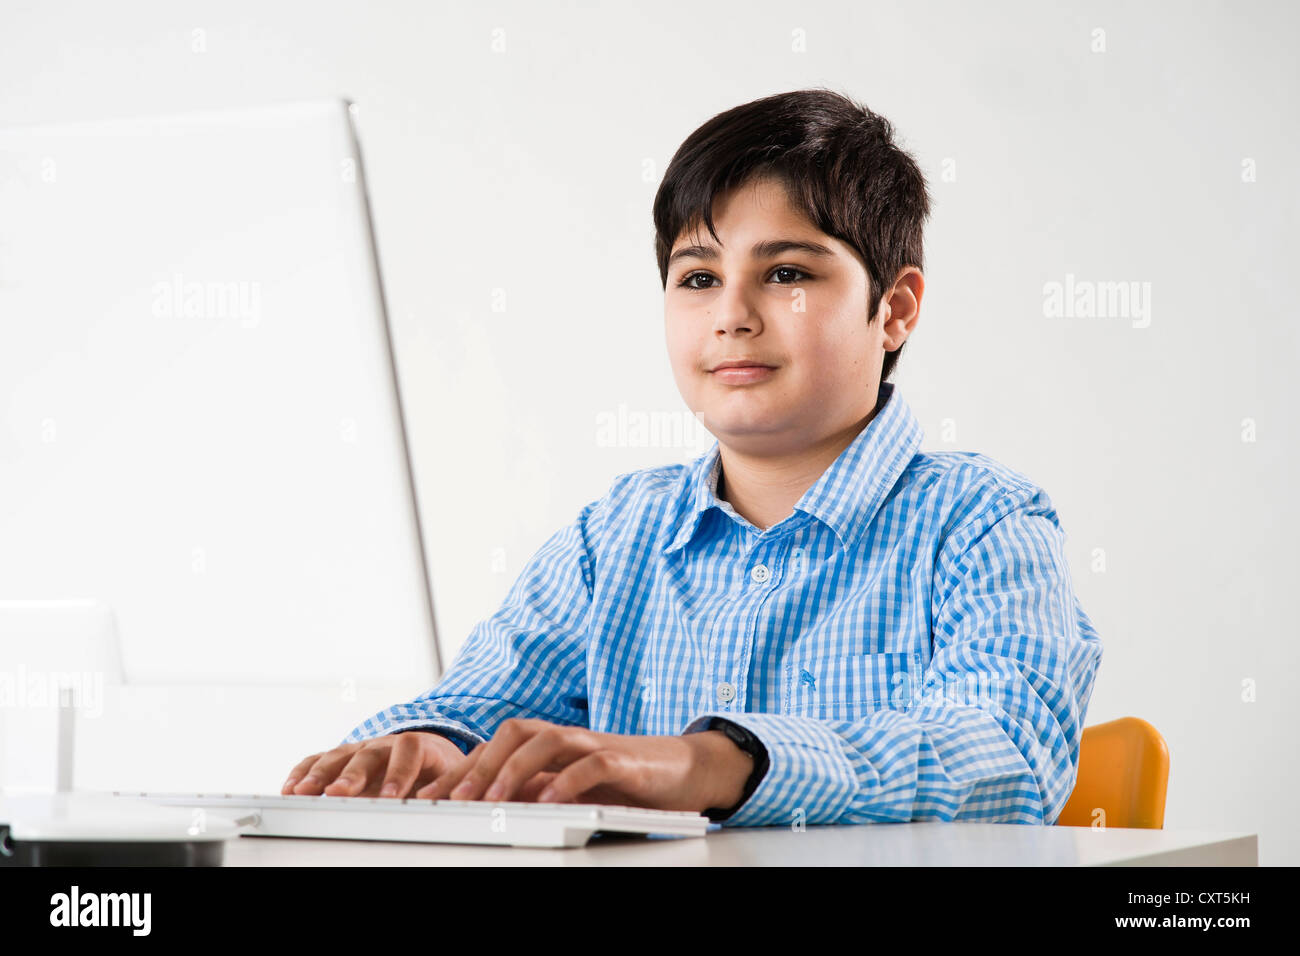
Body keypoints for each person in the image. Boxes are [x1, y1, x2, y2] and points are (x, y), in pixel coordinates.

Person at [282, 88, 1103, 826]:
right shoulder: (617, 534)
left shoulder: (981, 521)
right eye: (697, 277)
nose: (733, 315)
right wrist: (435, 745)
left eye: (784, 272)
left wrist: (713, 763)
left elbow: (1003, 753)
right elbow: (486, 698)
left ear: (893, 310)